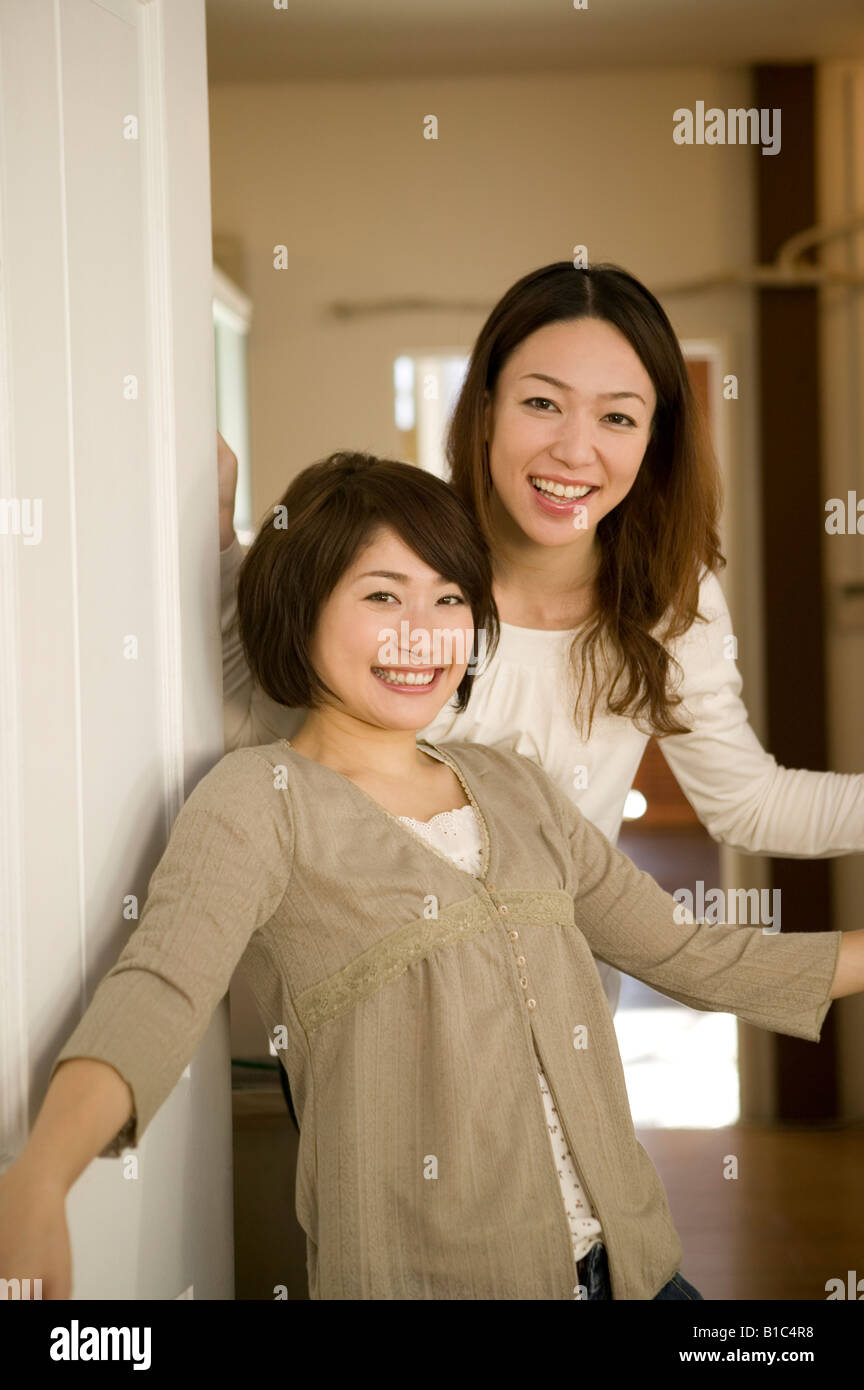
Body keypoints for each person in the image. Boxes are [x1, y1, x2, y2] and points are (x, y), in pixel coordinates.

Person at [2, 453, 858, 1301]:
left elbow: (685, 950)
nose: (424, 631)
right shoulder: (261, 801)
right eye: (382, 596)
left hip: (640, 1274)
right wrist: (39, 1180)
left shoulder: (514, 782)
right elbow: (160, 989)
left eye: (449, 598)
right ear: (300, 608)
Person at [217, 261, 864, 1020]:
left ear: (655, 439)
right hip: (382, 1011)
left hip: (564, 1018)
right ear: (485, 408)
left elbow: (747, 804)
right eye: (541, 403)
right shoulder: (396, 563)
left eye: (618, 417)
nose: (573, 450)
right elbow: (253, 727)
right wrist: (217, 541)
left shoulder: (669, 597)